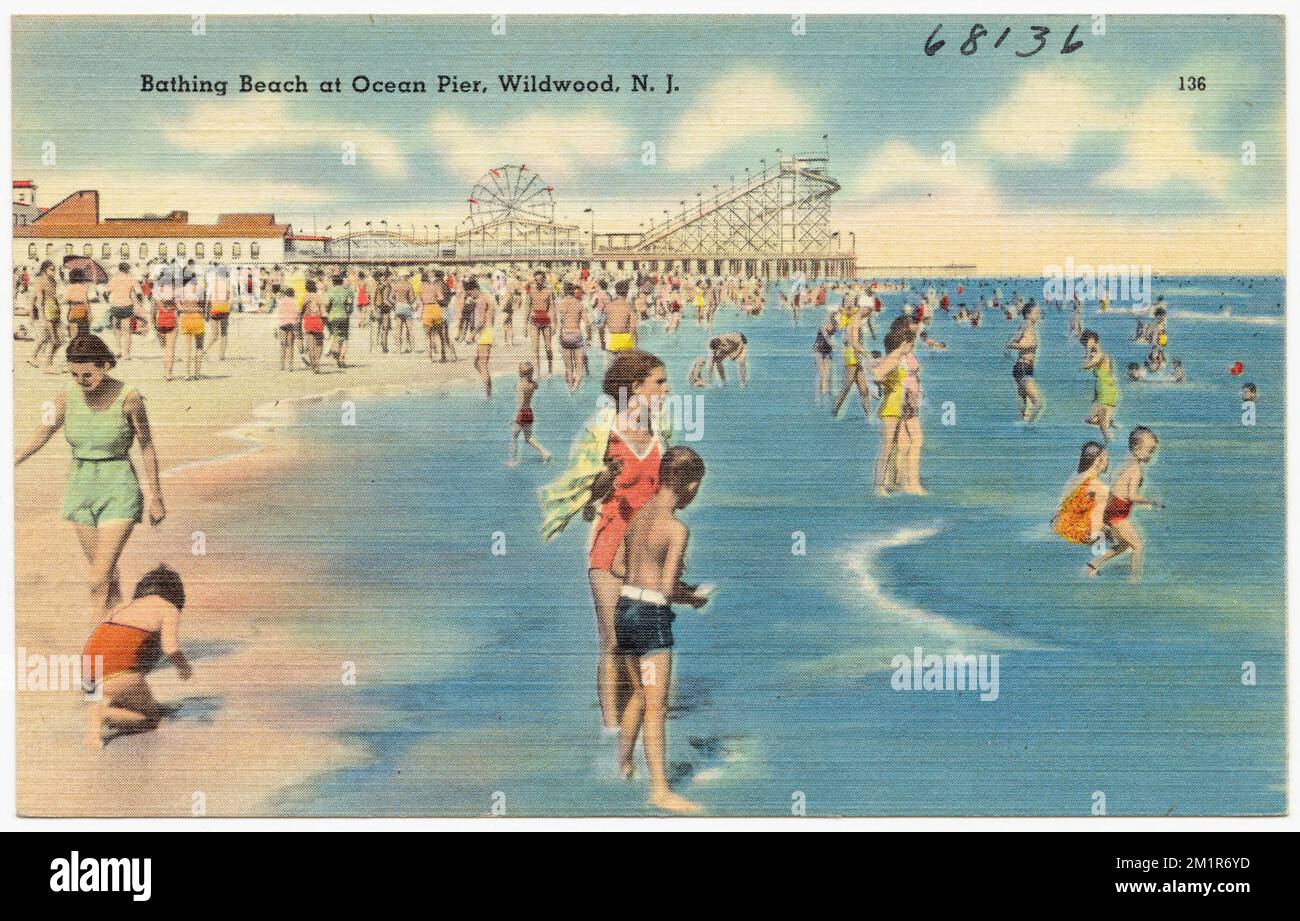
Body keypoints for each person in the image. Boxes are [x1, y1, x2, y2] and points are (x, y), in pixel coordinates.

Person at [539, 351, 670, 730]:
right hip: (609, 542)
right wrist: (604, 478)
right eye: (658, 382)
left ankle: (641, 726)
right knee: (613, 640)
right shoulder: (600, 432)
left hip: (649, 551)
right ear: (634, 388)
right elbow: (586, 491)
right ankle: (609, 729)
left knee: (644, 645)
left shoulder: (663, 430)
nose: (665, 389)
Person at [15, 334, 165, 615]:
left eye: (87, 374)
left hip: (119, 489)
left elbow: (146, 445)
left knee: (98, 578)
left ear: (105, 365)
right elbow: (44, 431)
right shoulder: (64, 398)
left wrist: (156, 498)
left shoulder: (130, 399)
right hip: (80, 489)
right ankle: (123, 633)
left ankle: (96, 650)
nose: (81, 381)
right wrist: (12, 459)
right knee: (105, 572)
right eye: (74, 374)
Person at [615, 445, 710, 814]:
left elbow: (623, 567)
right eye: (696, 488)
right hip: (651, 618)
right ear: (687, 486)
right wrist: (693, 597)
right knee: (657, 707)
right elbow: (667, 589)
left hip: (624, 610)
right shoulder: (676, 528)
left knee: (638, 694)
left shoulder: (638, 516)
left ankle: (623, 763)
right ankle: (660, 791)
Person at [82, 564, 192, 749]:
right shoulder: (168, 608)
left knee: (133, 661)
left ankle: (107, 707)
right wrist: (184, 668)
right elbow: (170, 646)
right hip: (117, 674)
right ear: (176, 594)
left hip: (87, 673)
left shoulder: (123, 607)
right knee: (150, 720)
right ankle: (103, 714)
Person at [1090, 426, 1162, 581]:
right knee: (1138, 546)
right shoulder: (1135, 468)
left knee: (1123, 545)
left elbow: (1113, 479)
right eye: (1149, 451)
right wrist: (1151, 501)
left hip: (1112, 508)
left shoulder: (1127, 461)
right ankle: (1135, 582)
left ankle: (1092, 566)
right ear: (1136, 449)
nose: (1151, 455)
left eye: (1152, 451)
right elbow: (1132, 496)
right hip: (1118, 512)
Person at [873, 316, 923, 495]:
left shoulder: (898, 359)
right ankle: (879, 486)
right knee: (887, 446)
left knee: (894, 445)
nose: (912, 346)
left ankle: (894, 483)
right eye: (909, 343)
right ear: (903, 344)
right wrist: (884, 382)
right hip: (891, 408)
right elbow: (877, 374)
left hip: (896, 406)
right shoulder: (895, 358)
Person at [1052, 442, 1110, 556]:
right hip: (1074, 531)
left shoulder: (1076, 476)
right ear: (1098, 462)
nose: (1108, 463)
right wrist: (1097, 537)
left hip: (1058, 524)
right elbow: (1096, 518)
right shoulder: (1099, 487)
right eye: (1107, 459)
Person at [508, 362, 551, 467]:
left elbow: (521, 403)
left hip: (522, 413)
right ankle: (545, 453)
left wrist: (514, 418)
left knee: (513, 437)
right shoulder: (532, 384)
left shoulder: (520, 385)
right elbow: (536, 386)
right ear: (531, 372)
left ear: (519, 373)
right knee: (529, 438)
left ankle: (512, 461)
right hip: (529, 412)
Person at [1006, 301, 1044, 422]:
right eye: (1036, 312)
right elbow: (1010, 343)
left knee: (1024, 409)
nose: (1038, 314)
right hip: (1022, 367)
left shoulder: (1030, 326)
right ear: (1028, 315)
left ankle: (1022, 429)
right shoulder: (1026, 325)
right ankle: (1027, 428)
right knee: (1038, 402)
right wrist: (1027, 346)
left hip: (1025, 368)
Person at [832, 303, 870, 416]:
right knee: (847, 385)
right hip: (853, 355)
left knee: (864, 389)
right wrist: (868, 354)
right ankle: (834, 411)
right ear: (864, 310)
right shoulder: (856, 322)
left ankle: (869, 416)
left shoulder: (854, 319)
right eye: (869, 311)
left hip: (854, 355)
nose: (868, 315)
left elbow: (846, 340)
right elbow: (855, 343)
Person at [1081, 329, 1119, 442]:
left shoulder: (1100, 355)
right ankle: (1108, 422)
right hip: (1105, 389)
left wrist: (1088, 352)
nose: (1085, 346)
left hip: (1106, 390)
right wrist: (1095, 396)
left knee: (1095, 422)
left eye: (1086, 343)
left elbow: (1085, 366)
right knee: (1096, 422)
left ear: (1093, 340)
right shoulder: (1101, 355)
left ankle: (1108, 425)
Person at [28, 260, 62, 370]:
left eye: (55, 269)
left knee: (56, 339)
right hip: (46, 313)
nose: (54, 271)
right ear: (44, 270)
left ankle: (34, 358)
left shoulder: (54, 282)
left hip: (54, 312)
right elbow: (38, 301)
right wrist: (40, 317)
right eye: (52, 269)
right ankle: (48, 364)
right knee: (53, 340)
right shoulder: (41, 282)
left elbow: (53, 297)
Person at [105, 263, 141, 361]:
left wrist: (109, 301)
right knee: (127, 331)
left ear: (119, 269)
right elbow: (139, 293)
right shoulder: (131, 278)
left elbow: (105, 293)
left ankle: (117, 351)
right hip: (127, 306)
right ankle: (126, 354)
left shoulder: (114, 279)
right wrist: (139, 303)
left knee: (117, 330)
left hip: (115, 306)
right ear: (128, 269)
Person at [558, 282, 586, 392]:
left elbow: (560, 322)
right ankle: (576, 386)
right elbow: (587, 322)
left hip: (565, 335)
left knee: (568, 367)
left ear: (564, 291)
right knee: (579, 366)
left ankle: (570, 387)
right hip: (577, 335)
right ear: (573, 291)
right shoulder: (578, 304)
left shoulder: (561, 304)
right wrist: (588, 337)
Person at [528, 270, 556, 376]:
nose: (538, 281)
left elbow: (553, 308)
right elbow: (527, 307)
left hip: (546, 320)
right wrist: (525, 325)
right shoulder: (531, 291)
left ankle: (550, 370)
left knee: (548, 348)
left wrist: (554, 324)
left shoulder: (548, 291)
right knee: (535, 348)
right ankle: (538, 373)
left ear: (544, 279)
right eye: (536, 279)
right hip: (534, 320)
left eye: (540, 279)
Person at [324, 274, 354, 368]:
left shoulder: (330, 292)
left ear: (333, 282)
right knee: (345, 338)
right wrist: (347, 312)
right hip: (344, 317)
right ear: (341, 281)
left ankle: (336, 357)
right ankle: (342, 359)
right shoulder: (346, 292)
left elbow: (326, 305)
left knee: (335, 337)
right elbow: (350, 307)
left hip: (333, 317)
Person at [205, 266, 233, 362]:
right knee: (224, 334)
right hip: (224, 309)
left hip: (214, 309)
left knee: (214, 334)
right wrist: (229, 309)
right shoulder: (228, 284)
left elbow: (208, 299)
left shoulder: (213, 284)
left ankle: (204, 350)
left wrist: (206, 312)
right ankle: (221, 355)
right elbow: (231, 299)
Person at [604, 279, 638, 355]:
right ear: (627, 292)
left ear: (616, 291)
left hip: (612, 341)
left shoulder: (608, 306)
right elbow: (633, 327)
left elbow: (602, 326)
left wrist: (603, 343)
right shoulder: (629, 307)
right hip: (626, 341)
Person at [301, 280, 326, 372]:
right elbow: (323, 312)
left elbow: (301, 311)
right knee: (319, 343)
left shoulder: (305, 297)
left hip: (308, 320)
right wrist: (326, 323)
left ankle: (313, 364)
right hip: (318, 320)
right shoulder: (319, 297)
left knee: (310, 344)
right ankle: (317, 362)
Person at [275, 283, 300, 371]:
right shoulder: (294, 302)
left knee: (283, 344)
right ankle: (290, 365)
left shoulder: (281, 301)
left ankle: (282, 364)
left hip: (282, 324)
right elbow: (297, 314)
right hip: (291, 325)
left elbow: (278, 314)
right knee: (290, 345)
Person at [813, 311, 836, 399]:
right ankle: (818, 396)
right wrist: (835, 346)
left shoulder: (835, 327)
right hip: (818, 350)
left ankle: (825, 396)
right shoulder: (823, 327)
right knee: (822, 374)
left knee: (826, 375)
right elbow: (826, 337)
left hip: (827, 351)